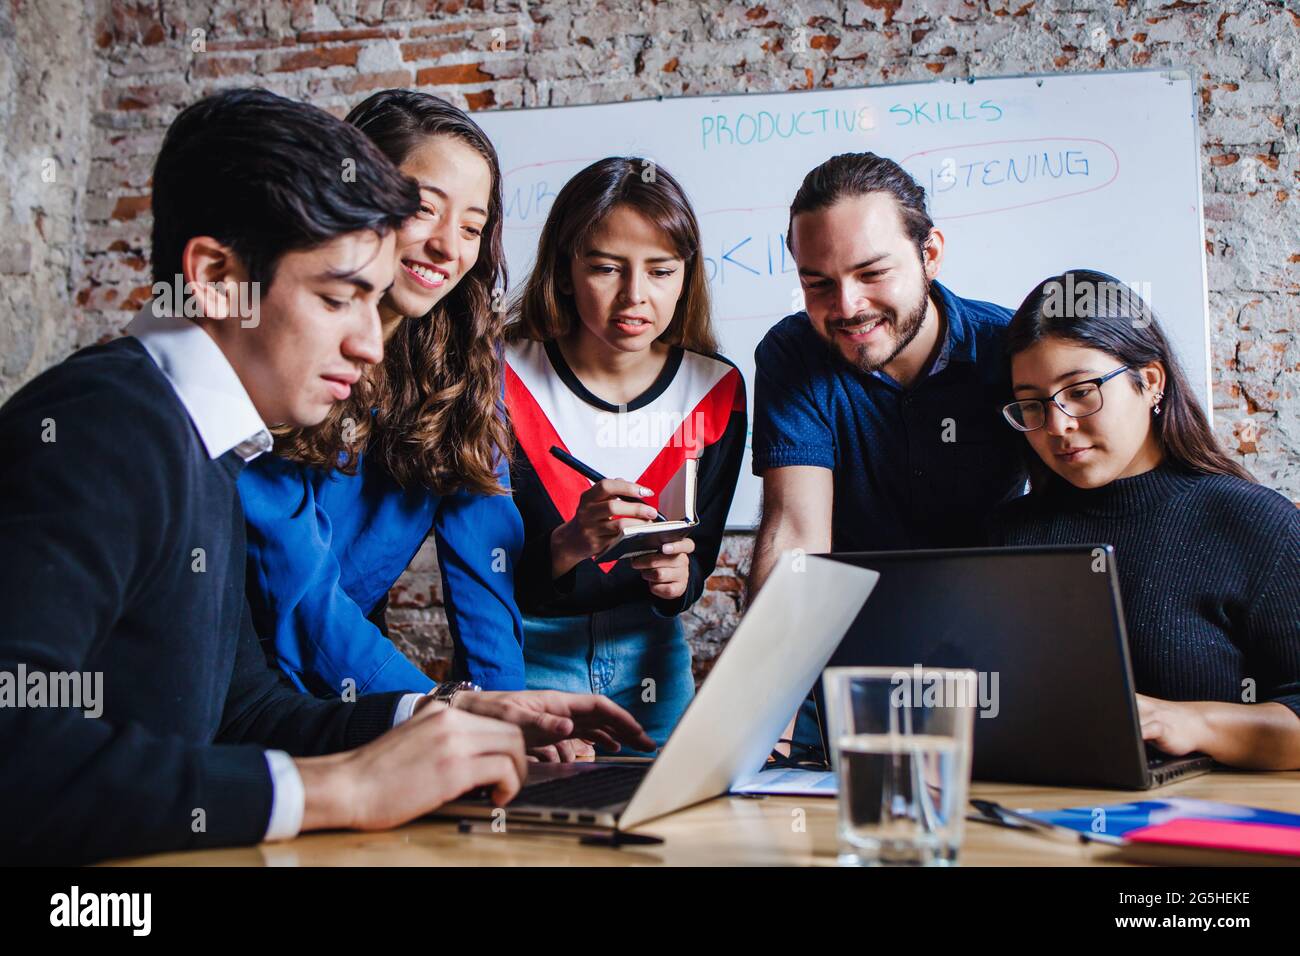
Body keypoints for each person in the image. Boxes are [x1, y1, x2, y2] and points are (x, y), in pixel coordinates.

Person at [0, 89, 652, 866]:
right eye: (339, 297)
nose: (372, 344)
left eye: (373, 303)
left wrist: (445, 714)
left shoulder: (209, 447)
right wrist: (338, 792)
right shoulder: (101, 427)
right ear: (214, 276)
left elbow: (242, 709)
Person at [240, 89, 527, 696]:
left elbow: (484, 562)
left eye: (473, 227)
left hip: (349, 673)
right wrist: (433, 710)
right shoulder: (279, 351)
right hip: (236, 669)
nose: (450, 247)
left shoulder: (468, 369)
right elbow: (296, 590)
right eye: (423, 209)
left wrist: (507, 710)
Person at [748, 151, 1027, 753]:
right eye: (817, 283)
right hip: (850, 680)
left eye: (872, 273)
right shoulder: (792, 355)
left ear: (930, 255)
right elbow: (796, 533)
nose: (846, 307)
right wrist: (764, 704)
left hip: (999, 666)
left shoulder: (1010, 349)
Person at [991, 270, 1300, 770]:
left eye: (1081, 391)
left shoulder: (1256, 525)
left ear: (1150, 381)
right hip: (1032, 822)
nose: (1058, 425)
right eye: (1032, 405)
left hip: (1203, 829)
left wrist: (1192, 722)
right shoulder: (1009, 536)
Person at [504, 158, 747, 750]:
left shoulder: (716, 389)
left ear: (687, 276)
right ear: (564, 271)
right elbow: (480, 571)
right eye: (607, 268)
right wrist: (569, 543)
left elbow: (701, 556)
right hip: (528, 655)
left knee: (664, 834)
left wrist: (677, 580)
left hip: (653, 662)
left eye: (661, 271)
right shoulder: (501, 376)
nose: (635, 296)